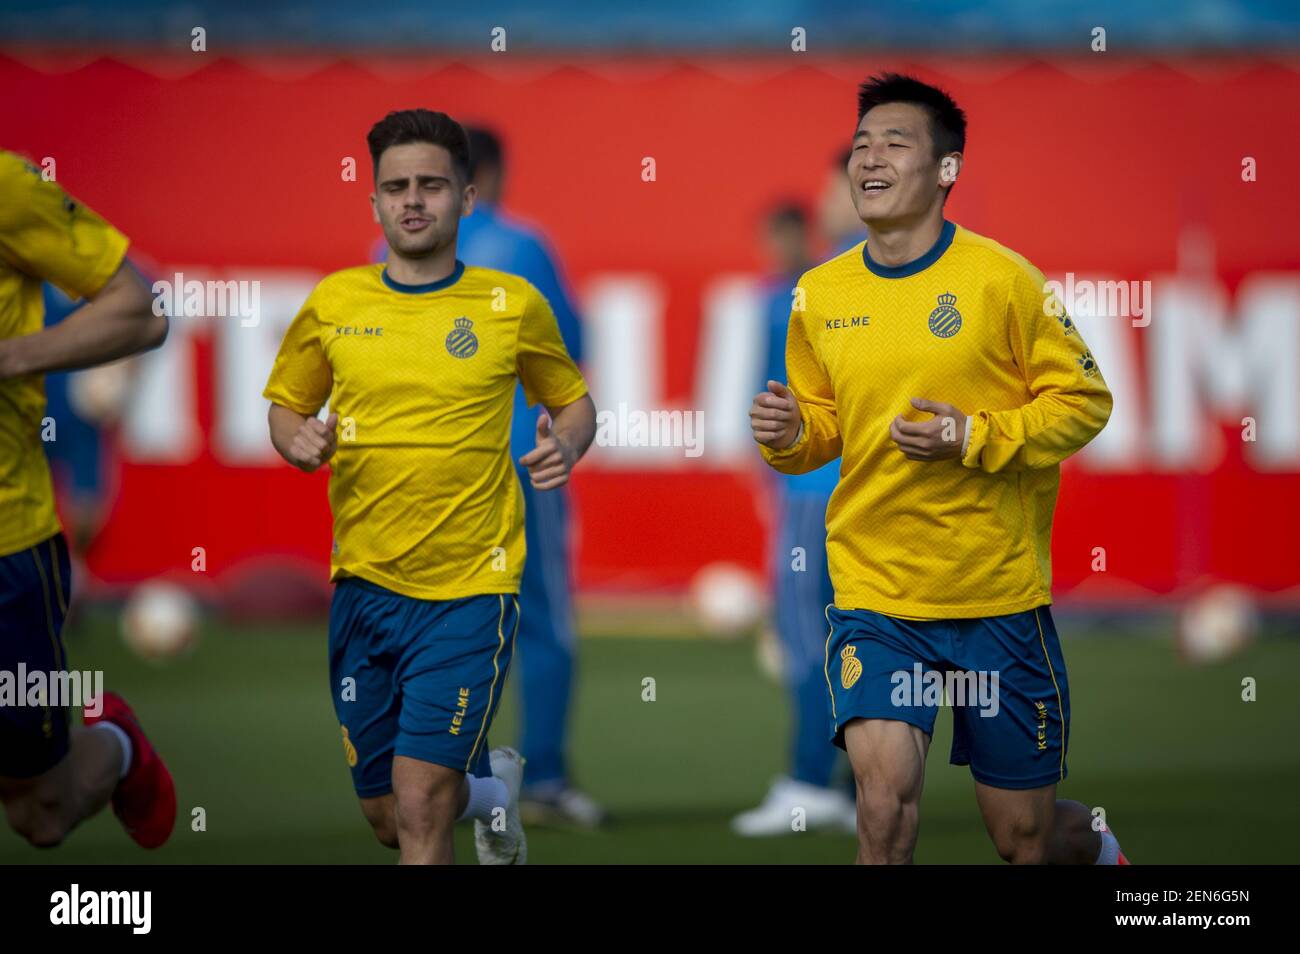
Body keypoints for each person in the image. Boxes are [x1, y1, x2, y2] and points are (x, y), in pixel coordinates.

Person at [749, 74, 1128, 864]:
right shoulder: (818, 293)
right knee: (882, 815)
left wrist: (975, 437)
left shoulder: (1004, 280)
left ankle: (1095, 850)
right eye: (860, 145)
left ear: (947, 170)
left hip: (994, 596)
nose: (870, 159)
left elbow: (1087, 401)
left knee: (1024, 836)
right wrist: (789, 433)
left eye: (895, 143)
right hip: (876, 598)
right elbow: (822, 426)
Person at [264, 110, 596, 865]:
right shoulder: (335, 303)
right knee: (388, 815)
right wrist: (298, 440)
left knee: (418, 806)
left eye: (432, 186)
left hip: (471, 590)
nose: (413, 201)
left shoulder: (510, 303)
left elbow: (572, 400)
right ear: (374, 202)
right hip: (364, 587)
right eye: (396, 187)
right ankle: (496, 793)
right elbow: (287, 407)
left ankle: (502, 783)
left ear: (467, 197)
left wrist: (566, 443)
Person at [0, 149, 174, 850]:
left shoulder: (10, 189)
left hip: (9, 548)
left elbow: (141, 312)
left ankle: (117, 744)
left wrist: (11, 356)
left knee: (42, 811)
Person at [454, 126, 604, 827]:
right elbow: (570, 351)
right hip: (523, 456)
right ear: (489, 172)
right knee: (540, 619)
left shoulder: (389, 251)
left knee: (449, 619)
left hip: (433, 468)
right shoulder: (521, 245)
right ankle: (541, 779)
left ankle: (453, 781)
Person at [732, 203, 854, 836]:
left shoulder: (803, 295)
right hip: (856, 487)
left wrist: (768, 473)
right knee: (859, 638)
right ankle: (863, 788)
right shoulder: (864, 283)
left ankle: (809, 784)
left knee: (808, 637)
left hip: (812, 487)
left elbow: (767, 396)